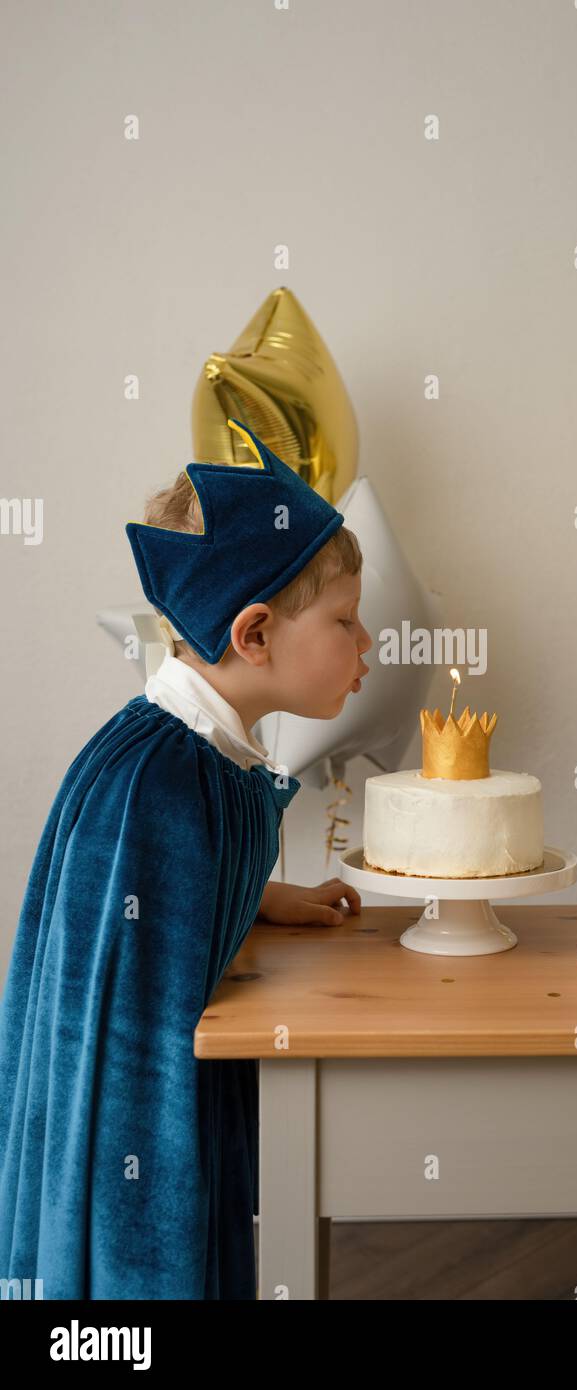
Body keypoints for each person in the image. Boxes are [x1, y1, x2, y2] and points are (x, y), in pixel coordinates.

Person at [0, 418, 371, 1298]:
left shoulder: (205, 754)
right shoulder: (158, 784)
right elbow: (131, 1053)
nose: (368, 646)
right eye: (347, 621)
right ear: (254, 634)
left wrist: (255, 898)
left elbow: (172, 904)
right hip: (130, 1144)